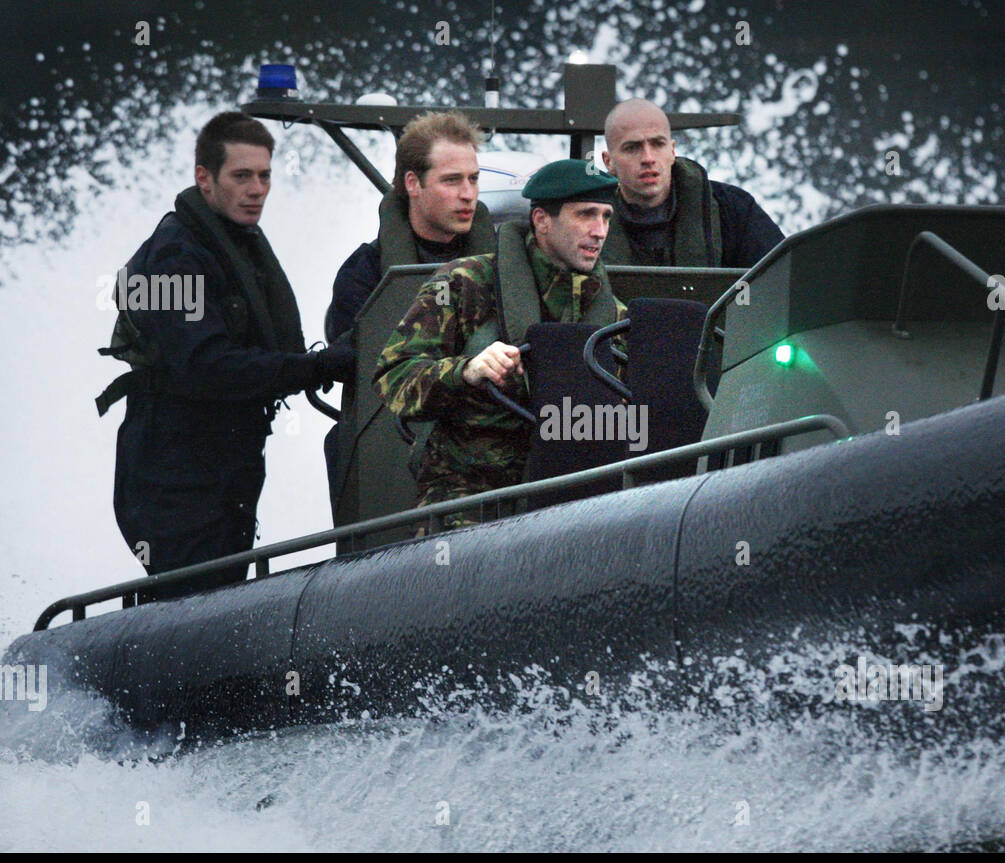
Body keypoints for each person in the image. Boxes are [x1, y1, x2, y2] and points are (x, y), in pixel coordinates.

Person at [102, 112, 354, 599]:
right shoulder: (173, 257)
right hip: (172, 471)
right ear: (205, 177)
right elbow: (206, 366)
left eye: (264, 176)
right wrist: (316, 367)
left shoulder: (238, 242)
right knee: (190, 600)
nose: (256, 189)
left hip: (229, 462)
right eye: (241, 176)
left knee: (223, 591)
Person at [374, 159, 626, 520]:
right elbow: (392, 377)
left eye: (605, 217)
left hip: (576, 496)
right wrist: (466, 372)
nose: (599, 231)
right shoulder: (463, 284)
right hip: (471, 494)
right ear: (541, 220)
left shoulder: (614, 317)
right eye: (585, 215)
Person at [324, 111, 496, 346]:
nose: (468, 194)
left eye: (473, 179)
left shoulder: (505, 266)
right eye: (452, 180)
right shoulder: (365, 273)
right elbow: (357, 363)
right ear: (413, 184)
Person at [600, 98, 784, 268]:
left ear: (672, 151)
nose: (648, 158)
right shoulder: (589, 218)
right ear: (609, 162)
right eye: (632, 148)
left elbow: (782, 281)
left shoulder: (732, 209)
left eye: (657, 144)